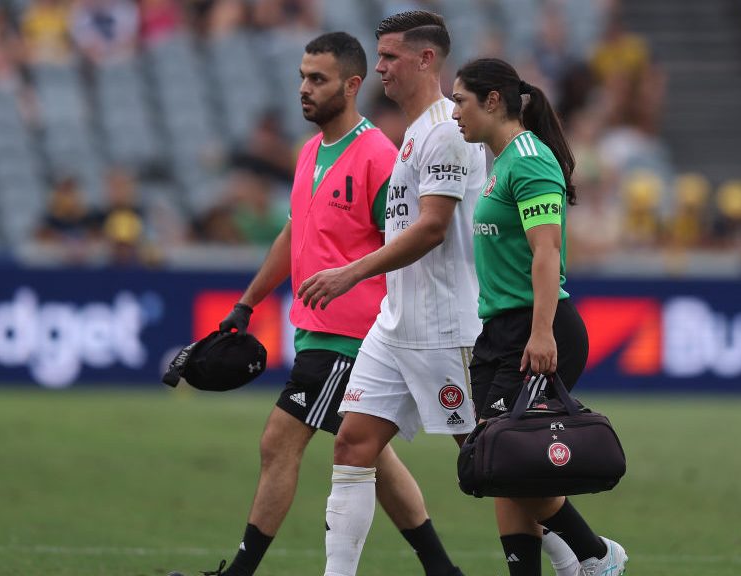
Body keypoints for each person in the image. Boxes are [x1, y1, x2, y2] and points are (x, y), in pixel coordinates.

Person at [169, 32, 465, 576]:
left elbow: (411, 238)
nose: (304, 88)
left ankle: (239, 573)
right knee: (369, 454)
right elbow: (293, 234)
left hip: (352, 334)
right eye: (302, 77)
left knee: (279, 441)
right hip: (314, 329)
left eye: (318, 79)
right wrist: (246, 304)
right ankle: (443, 569)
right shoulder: (309, 152)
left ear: (351, 86)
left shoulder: (378, 156)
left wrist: (370, 290)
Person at [298, 12, 581, 576]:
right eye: (378, 55)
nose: (379, 67)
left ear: (426, 59)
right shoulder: (414, 133)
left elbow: (431, 228)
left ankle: (585, 556)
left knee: (496, 462)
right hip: (397, 322)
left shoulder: (449, 131)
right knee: (352, 444)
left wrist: (351, 273)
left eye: (390, 56)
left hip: (448, 328)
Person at [450, 57, 628, 576]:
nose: (454, 112)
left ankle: (598, 555)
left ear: (492, 101)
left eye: (460, 100)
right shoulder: (501, 162)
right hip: (500, 330)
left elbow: (546, 252)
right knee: (500, 465)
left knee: (504, 460)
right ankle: (588, 558)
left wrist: (542, 332)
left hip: (536, 329)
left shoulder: (529, 160)